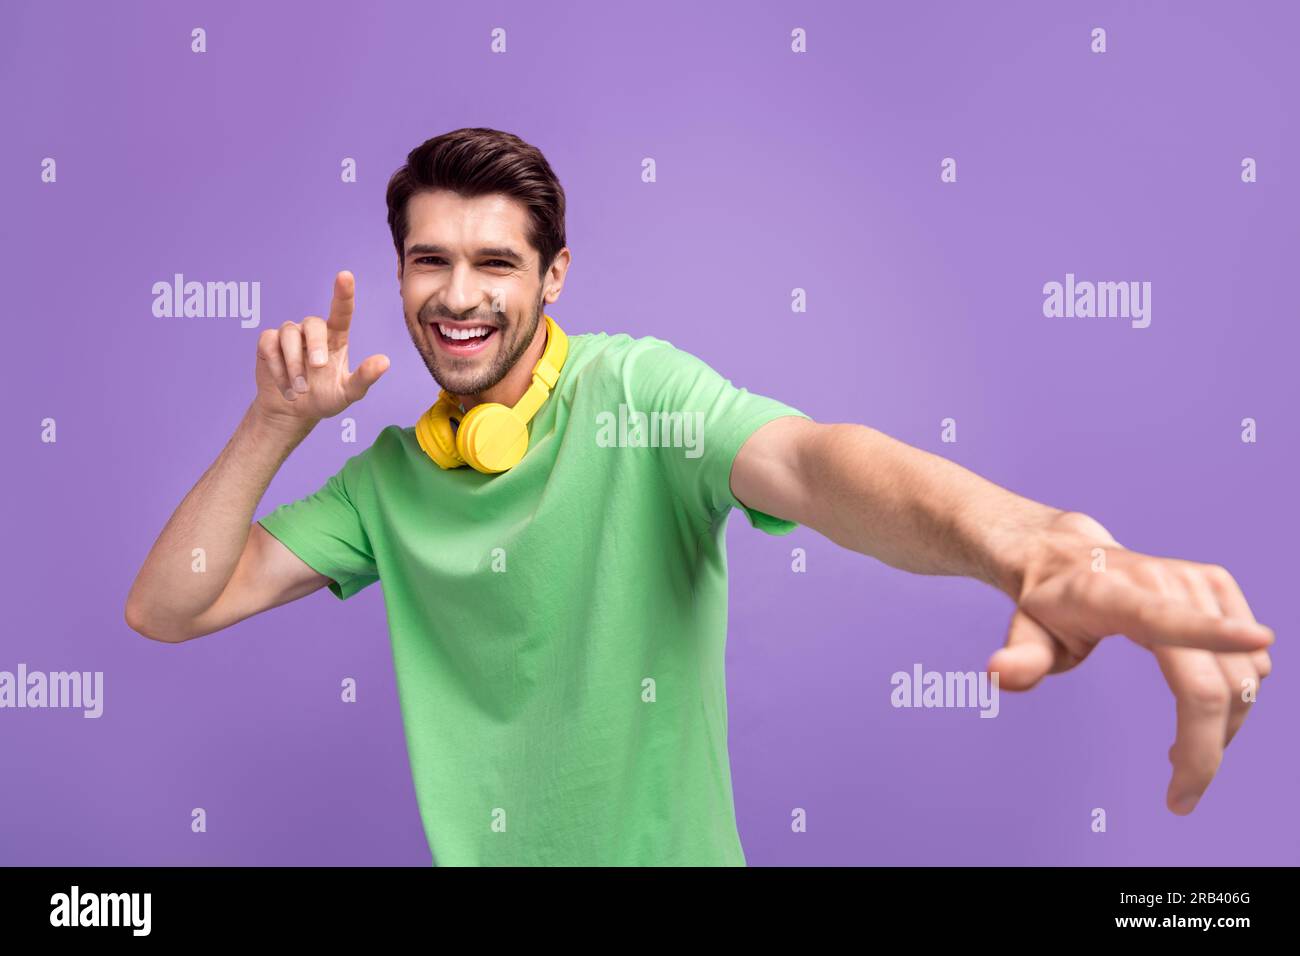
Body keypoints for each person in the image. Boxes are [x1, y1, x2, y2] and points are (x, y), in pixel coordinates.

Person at [124, 127, 1274, 867]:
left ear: (553, 275)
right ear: (398, 274)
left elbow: (819, 464)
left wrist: (1036, 544)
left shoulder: (640, 393)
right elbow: (168, 608)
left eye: (495, 262)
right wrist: (275, 423)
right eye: (430, 260)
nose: (457, 295)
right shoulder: (384, 484)